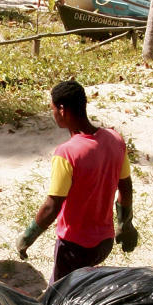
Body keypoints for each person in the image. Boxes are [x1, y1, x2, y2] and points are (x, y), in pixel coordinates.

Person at [17, 80, 137, 282]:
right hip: (104, 243)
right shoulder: (115, 139)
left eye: (53, 108)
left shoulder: (67, 153)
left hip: (74, 247)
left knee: (59, 297)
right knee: (85, 286)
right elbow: (125, 186)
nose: (53, 113)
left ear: (62, 110)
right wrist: (126, 223)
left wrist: (26, 238)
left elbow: (52, 206)